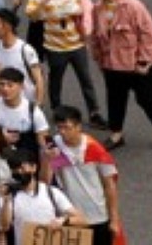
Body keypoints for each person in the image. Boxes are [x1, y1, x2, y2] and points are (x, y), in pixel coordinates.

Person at [86, 0, 152, 154]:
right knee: (115, 100)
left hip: (135, 66)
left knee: (149, 100)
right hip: (112, 66)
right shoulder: (98, 8)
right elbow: (96, 36)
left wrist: (143, 62)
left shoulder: (133, 6)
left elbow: (149, 35)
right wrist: (98, 58)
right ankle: (116, 134)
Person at [24, 0, 105, 125]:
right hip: (54, 46)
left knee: (86, 80)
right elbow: (32, 15)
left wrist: (72, 14)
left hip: (76, 43)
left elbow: (79, 8)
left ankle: (94, 112)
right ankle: (57, 109)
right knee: (56, 81)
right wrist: (45, 6)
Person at [45, 104, 121, 242]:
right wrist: (48, 160)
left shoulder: (95, 150)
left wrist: (114, 219)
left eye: (66, 127)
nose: (62, 132)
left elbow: (110, 185)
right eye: (59, 127)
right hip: (70, 216)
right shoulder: (55, 145)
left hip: (97, 216)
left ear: (78, 126)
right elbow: (46, 181)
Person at [8, 146, 87, 240]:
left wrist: (63, 221)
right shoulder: (11, 197)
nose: (19, 172)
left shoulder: (51, 193)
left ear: (33, 167)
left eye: (22, 168)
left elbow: (82, 220)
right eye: (15, 169)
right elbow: (4, 226)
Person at [0, 9, 45, 106]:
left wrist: (38, 105)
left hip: (26, 104)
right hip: (5, 103)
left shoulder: (26, 50)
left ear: (8, 26)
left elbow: (39, 79)